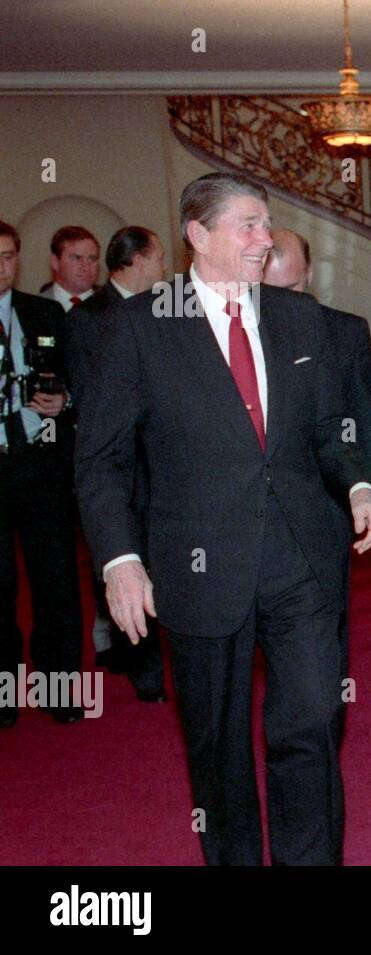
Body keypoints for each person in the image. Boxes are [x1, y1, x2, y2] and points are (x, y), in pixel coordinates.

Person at [76, 173, 371, 865]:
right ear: (197, 234)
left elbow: (333, 429)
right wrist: (120, 560)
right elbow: (101, 460)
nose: (264, 238)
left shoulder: (299, 317)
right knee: (217, 743)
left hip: (302, 556)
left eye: (266, 225)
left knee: (312, 719)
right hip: (198, 563)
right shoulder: (137, 326)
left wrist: (359, 484)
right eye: (247, 224)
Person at [262, 227, 371, 742]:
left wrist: (369, 489)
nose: (284, 302)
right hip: (254, 505)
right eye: (273, 290)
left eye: (293, 289)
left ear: (309, 273)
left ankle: (325, 722)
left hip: (327, 499)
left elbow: (362, 418)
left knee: (325, 623)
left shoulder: (343, 330)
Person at [66, 225, 167, 702]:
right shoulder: (91, 317)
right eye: (160, 257)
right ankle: (143, 666)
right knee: (129, 557)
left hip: (167, 462)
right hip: (122, 466)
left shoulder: (166, 309)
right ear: (137, 260)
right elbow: (93, 403)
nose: (166, 267)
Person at [0, 220, 84, 727]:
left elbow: (78, 379)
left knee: (56, 585)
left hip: (40, 464)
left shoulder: (43, 312)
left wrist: (64, 400)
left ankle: (59, 690)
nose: (2, 266)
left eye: (9, 256)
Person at [42, 226, 100, 312]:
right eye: (76, 258)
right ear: (55, 262)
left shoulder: (114, 308)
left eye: (92, 258)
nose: (86, 267)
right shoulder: (33, 308)